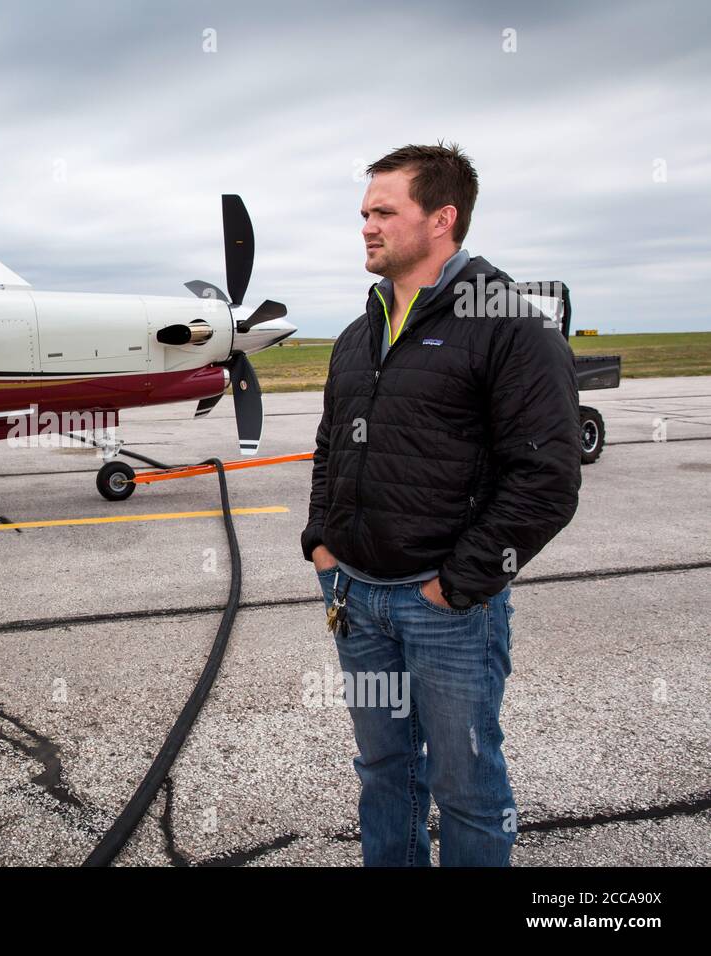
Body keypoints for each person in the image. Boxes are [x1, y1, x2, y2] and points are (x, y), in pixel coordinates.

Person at [302, 143, 580, 866]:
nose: (366, 225)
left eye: (384, 211)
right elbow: (332, 444)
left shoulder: (511, 325)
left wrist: (454, 586)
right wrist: (322, 545)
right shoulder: (357, 334)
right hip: (355, 598)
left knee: (467, 789)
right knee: (385, 774)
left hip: (449, 611)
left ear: (442, 219)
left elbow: (547, 478)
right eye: (364, 212)